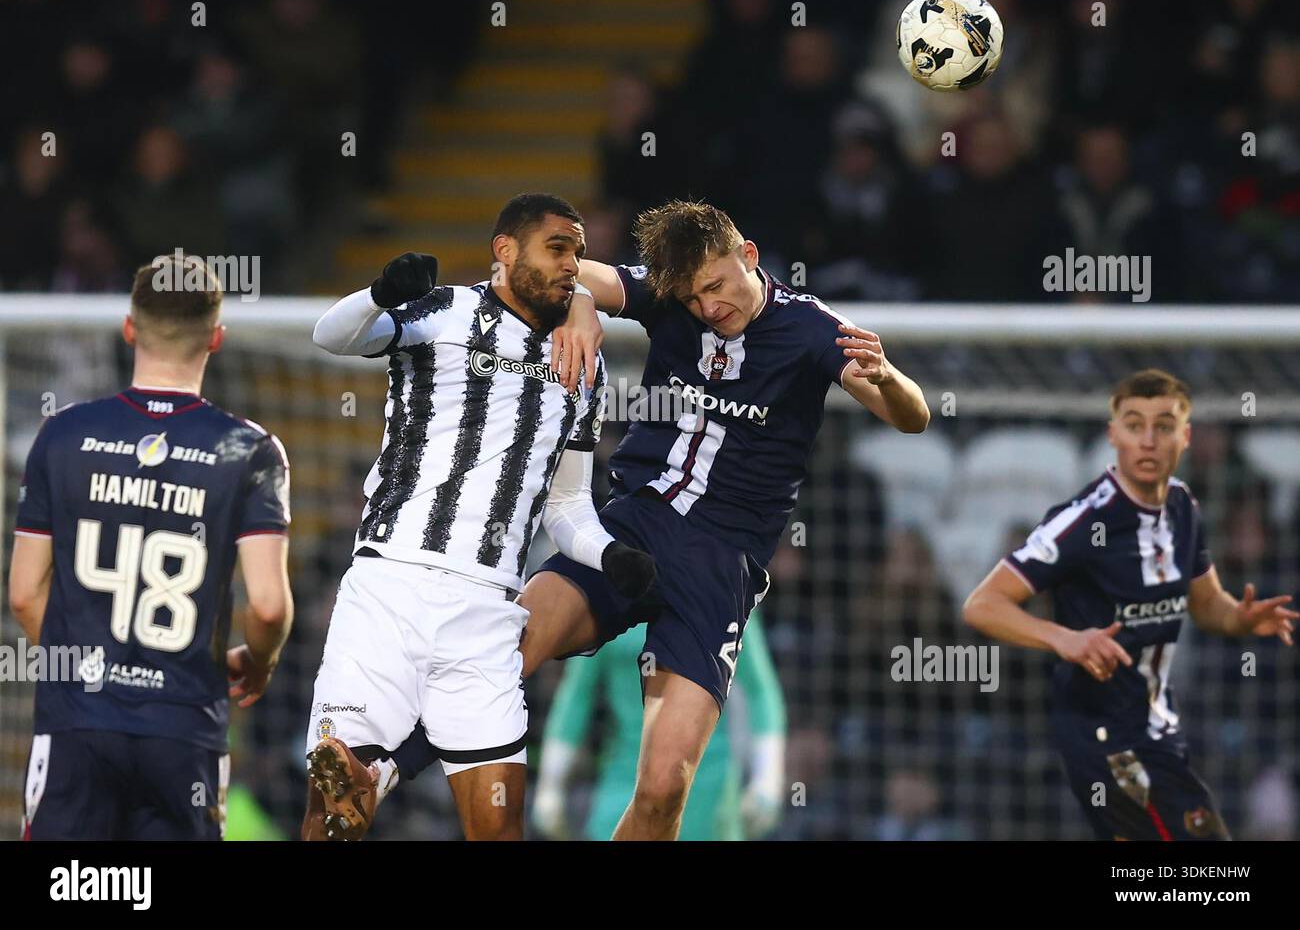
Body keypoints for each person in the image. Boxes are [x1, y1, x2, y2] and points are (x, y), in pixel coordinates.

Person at [373, 198, 929, 841]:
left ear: (748, 256)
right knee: (506, 648)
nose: (709, 306)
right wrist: (579, 305)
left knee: (663, 791)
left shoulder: (808, 329)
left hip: (721, 563)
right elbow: (579, 273)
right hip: (633, 527)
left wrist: (885, 377)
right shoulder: (669, 297)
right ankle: (380, 771)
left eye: (718, 287)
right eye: (693, 297)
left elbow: (912, 415)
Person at [302, 193, 656, 840]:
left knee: (497, 827)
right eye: (557, 248)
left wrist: (609, 555)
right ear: (505, 250)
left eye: (578, 252)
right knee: (331, 821)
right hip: (390, 589)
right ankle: (359, 776)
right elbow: (333, 337)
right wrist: (380, 294)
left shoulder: (585, 362)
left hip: (489, 610)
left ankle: (370, 773)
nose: (571, 265)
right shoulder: (446, 310)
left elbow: (568, 505)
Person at [12, 253, 293, 840]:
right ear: (216, 337)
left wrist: (86, 669)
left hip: (77, 727)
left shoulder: (61, 434)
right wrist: (258, 662)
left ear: (129, 327)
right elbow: (268, 606)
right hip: (183, 729)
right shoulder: (250, 451)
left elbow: (22, 594)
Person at [963, 369, 1296, 840]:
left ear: (1185, 437)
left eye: (1163, 427)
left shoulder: (1183, 507)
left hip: (1158, 725)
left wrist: (1239, 619)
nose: (1147, 440)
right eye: (1134, 425)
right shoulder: (1082, 521)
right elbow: (982, 604)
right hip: (1101, 732)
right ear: (1113, 434)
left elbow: (1207, 606)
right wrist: (1066, 639)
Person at [533, 613, 786, 840]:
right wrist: (550, 784)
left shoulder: (724, 579)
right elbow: (577, 695)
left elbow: (759, 689)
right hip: (623, 784)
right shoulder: (606, 586)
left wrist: (768, 778)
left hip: (708, 792)